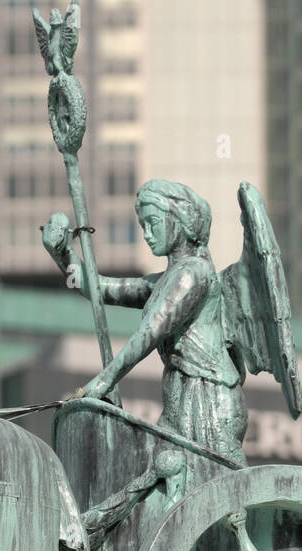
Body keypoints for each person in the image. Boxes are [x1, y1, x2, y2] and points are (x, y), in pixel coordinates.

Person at [42, 177, 248, 468]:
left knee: (215, 486)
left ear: (180, 219)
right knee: (155, 480)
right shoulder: (163, 280)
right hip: (180, 399)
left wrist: (103, 381)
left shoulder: (194, 274)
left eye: (153, 222)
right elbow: (97, 290)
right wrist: (62, 251)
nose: (147, 234)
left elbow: (151, 331)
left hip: (209, 400)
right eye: (142, 226)